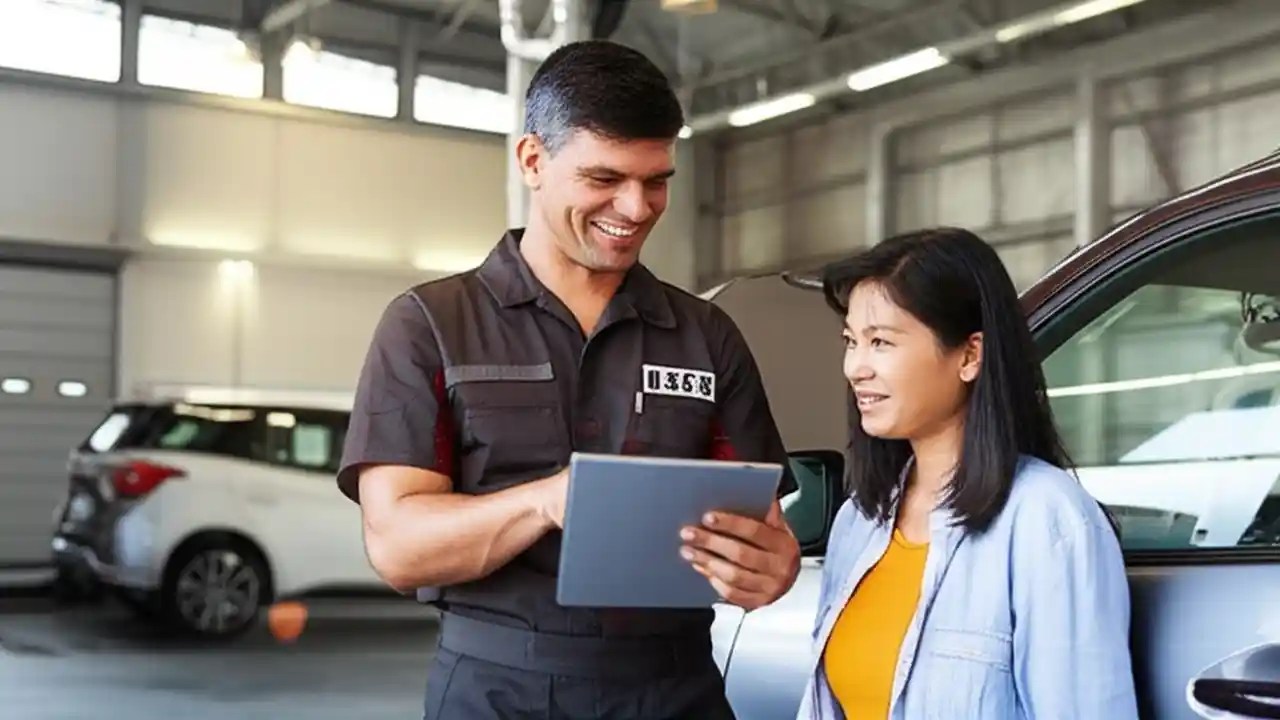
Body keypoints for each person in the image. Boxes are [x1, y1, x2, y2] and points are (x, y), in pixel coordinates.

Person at [337, 40, 801, 720]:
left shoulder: (707, 335)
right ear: (533, 160)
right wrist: (548, 502)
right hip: (499, 691)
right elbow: (398, 547)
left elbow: (766, 531)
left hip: (676, 690)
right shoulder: (431, 325)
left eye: (657, 180)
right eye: (604, 177)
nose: (636, 207)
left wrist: (772, 567)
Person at [796, 228, 1139, 719]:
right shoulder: (860, 520)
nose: (856, 367)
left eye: (881, 342)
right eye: (852, 341)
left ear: (970, 355)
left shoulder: (1048, 520)